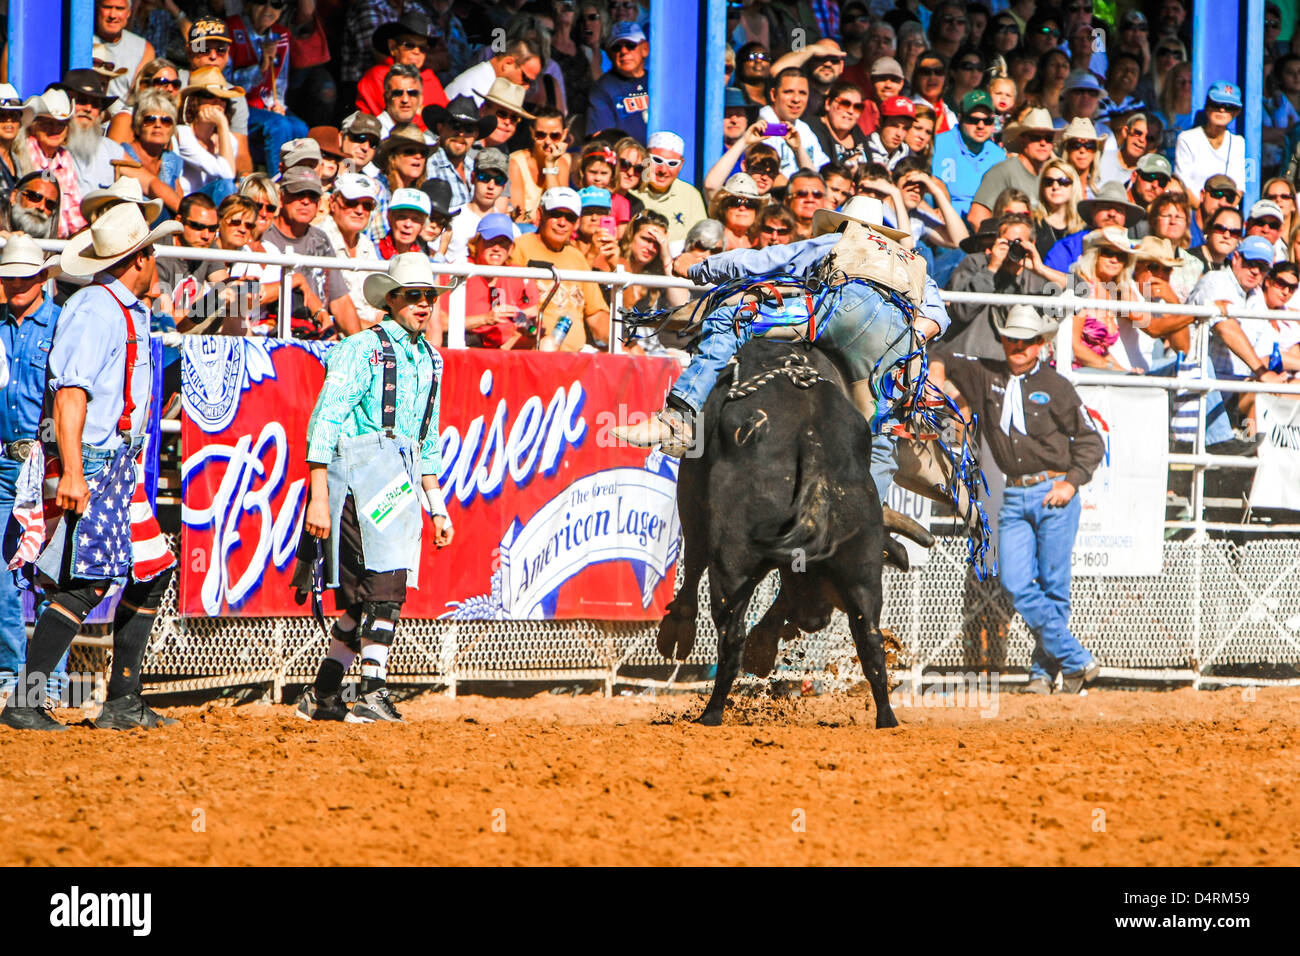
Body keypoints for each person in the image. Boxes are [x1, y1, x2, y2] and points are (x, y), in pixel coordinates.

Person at [615, 195, 951, 505]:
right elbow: (938, 316)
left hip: (838, 311)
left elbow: (764, 261)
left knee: (733, 318)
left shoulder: (841, 239)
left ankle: (678, 419)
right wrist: (902, 341)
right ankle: (867, 518)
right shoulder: (912, 260)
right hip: (896, 341)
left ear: (844, 223)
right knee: (880, 436)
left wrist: (698, 268)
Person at [1, 202, 181, 731]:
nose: (156, 263)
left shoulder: (119, 308)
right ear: (139, 259)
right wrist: (75, 471)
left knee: (151, 570)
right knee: (87, 582)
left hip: (114, 462)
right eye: (151, 253)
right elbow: (70, 395)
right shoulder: (97, 310)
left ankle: (121, 699)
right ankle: (27, 702)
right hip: (97, 462)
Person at [294, 253, 454, 724]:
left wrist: (436, 506)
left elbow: (427, 437)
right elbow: (326, 419)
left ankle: (323, 694)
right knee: (384, 588)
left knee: (370, 591)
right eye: (414, 296)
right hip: (357, 476)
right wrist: (318, 494)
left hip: (397, 478)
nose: (424, 304)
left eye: (430, 296)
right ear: (391, 300)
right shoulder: (361, 347)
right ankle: (371, 691)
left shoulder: (431, 359)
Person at [931, 305, 1104, 696]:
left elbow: (1092, 440)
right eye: (1012, 339)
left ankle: (1044, 675)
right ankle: (1075, 660)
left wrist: (1072, 482)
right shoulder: (985, 374)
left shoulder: (1057, 386)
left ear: (1041, 345)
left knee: (1053, 585)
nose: (1018, 347)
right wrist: (938, 375)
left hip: (1052, 490)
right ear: (1004, 340)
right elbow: (939, 349)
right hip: (1015, 493)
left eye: (1027, 341)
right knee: (1014, 581)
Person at [0, 237, 64, 711]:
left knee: (47, 573)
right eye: (9, 275)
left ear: (42, 278)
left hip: (46, 460)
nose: (15, 282)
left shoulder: (63, 326)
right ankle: (9, 676)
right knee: (3, 575)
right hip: (5, 458)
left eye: (24, 274)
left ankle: (49, 682)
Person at [943, 212, 1057, 359]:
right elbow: (962, 312)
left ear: (1032, 244)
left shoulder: (1037, 279)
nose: (1012, 248)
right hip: (968, 362)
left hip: (1012, 365)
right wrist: (992, 268)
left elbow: (1081, 292)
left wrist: (1040, 269)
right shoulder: (975, 263)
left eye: (1018, 243)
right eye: (1007, 243)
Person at [510, 187, 611, 350]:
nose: (562, 222)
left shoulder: (577, 257)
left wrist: (624, 341)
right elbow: (504, 305)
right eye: (555, 214)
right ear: (540, 215)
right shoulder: (519, 248)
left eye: (569, 217)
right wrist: (533, 331)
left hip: (576, 356)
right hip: (531, 352)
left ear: (576, 223)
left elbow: (596, 314)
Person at [223, 0, 309, 172]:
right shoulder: (230, 28)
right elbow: (226, 82)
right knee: (279, 125)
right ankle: (277, 184)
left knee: (300, 127)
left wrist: (278, 105)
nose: (268, 9)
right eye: (262, 2)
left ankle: (295, 181)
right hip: (237, 105)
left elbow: (281, 80)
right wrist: (259, 67)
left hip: (266, 105)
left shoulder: (281, 34)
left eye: (276, 4)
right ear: (248, 4)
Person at [261, 166, 341, 337]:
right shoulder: (262, 237)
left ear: (319, 204)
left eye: (312, 197)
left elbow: (341, 301)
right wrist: (295, 281)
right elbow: (245, 300)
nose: (305, 201)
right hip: (270, 337)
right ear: (282, 198)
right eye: (298, 194)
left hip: (316, 336)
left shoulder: (321, 239)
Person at [176, 17, 254, 178]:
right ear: (189, 50)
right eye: (203, 48)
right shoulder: (172, 82)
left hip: (215, 177)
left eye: (220, 49)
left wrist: (246, 182)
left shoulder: (235, 95)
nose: (213, 55)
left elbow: (241, 154)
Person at [967, 107, 1058, 231]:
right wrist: (996, 245)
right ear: (1022, 140)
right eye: (1036, 137)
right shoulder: (1002, 171)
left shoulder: (1050, 176)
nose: (1043, 143)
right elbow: (976, 217)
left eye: (1048, 138)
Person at [355, 11, 449, 126]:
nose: (416, 51)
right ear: (393, 47)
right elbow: (398, 120)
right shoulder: (377, 76)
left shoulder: (429, 77)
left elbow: (446, 118)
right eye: (409, 45)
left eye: (422, 48)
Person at [318, 172, 384, 332]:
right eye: (351, 203)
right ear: (332, 202)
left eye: (367, 205)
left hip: (372, 336)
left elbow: (381, 305)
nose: (360, 210)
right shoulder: (318, 239)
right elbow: (333, 310)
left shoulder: (367, 245)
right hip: (335, 336)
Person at [18, 90, 84, 239]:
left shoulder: (64, 157)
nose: (55, 129)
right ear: (34, 126)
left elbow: (74, 209)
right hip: (32, 239)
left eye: (61, 124)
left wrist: (81, 237)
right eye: (47, 123)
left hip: (60, 243)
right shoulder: (27, 150)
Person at [930, 89, 1005, 220]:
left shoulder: (998, 155)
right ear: (960, 118)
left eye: (987, 121)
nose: (981, 126)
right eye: (973, 120)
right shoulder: (940, 143)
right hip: (945, 220)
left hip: (984, 224)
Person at [1043, 181, 1145, 275]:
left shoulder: (1133, 253)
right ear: (1093, 211)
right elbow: (1052, 285)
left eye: (1119, 210)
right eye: (1105, 207)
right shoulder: (1067, 247)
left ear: (1125, 217)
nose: (1112, 214)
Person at [631, 132, 708, 251]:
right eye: (657, 160)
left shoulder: (690, 195)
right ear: (645, 158)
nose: (663, 170)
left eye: (672, 163)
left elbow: (700, 243)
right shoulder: (631, 188)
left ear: (681, 165)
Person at [173, 68, 240, 203]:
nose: (218, 102)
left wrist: (222, 128)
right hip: (188, 204)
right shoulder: (182, 134)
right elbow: (227, 174)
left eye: (223, 98)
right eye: (209, 96)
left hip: (214, 203)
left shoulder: (229, 139)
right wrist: (222, 124)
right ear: (194, 101)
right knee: (226, 184)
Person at [423, 96, 495, 214]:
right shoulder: (426, 165)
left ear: (476, 135)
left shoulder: (476, 167)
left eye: (469, 129)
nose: (461, 134)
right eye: (455, 125)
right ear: (440, 128)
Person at [1174, 82, 1247, 198]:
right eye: (1216, 104)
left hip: (1226, 211)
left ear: (1236, 112)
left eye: (1229, 107)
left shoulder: (1238, 143)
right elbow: (1182, 184)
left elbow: (1239, 188)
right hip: (1194, 211)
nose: (1222, 110)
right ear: (1207, 107)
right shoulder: (1187, 139)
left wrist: (1224, 213)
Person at [759, 68, 830, 177]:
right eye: (789, 92)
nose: (796, 99)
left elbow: (821, 172)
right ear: (773, 95)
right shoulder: (763, 124)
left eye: (802, 93)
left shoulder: (804, 129)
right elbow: (767, 177)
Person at [369, 124, 433, 244]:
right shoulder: (375, 190)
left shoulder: (419, 196)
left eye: (423, 153)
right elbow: (377, 240)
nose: (418, 156)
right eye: (410, 151)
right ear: (392, 158)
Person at [441, 148, 508, 262]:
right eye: (484, 178)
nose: (491, 186)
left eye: (499, 180)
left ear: (504, 186)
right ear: (472, 178)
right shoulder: (450, 218)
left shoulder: (509, 228)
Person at [586, 22, 649, 142]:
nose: (624, 51)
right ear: (609, 54)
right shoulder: (602, 89)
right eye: (617, 47)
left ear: (645, 49)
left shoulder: (657, 82)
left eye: (631, 45)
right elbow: (601, 138)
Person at [445, 38, 542, 108]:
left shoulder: (486, 79)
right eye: (525, 79)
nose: (526, 87)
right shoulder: (480, 86)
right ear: (508, 63)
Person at [1145, 190, 1203, 299]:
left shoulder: (1195, 265)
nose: (1173, 221)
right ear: (1154, 220)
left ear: (1187, 223)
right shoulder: (1140, 254)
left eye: (1178, 217)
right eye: (1167, 215)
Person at [96, 0, 155, 105]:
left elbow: (136, 99)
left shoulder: (144, 49)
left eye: (119, 9)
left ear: (129, 12)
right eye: (107, 7)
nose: (112, 15)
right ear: (97, 8)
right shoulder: (81, 41)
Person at [813, 80, 871, 167]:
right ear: (828, 103)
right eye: (845, 104)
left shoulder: (857, 132)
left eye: (857, 107)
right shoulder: (812, 129)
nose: (851, 111)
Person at [375, 63, 435, 143]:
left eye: (412, 93)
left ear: (420, 99)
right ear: (385, 97)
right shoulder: (373, 136)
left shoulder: (427, 142)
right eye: (398, 93)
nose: (405, 100)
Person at [709, 173, 763, 251]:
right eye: (735, 202)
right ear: (724, 208)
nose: (742, 208)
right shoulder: (711, 241)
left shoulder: (761, 242)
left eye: (750, 203)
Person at [2, 171, 62, 242]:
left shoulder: (59, 250)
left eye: (50, 204)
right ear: (14, 197)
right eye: (35, 197)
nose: (42, 207)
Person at [378, 187, 433, 259]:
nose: (408, 224)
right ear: (390, 218)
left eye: (415, 219)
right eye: (402, 217)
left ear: (423, 225)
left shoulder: (427, 265)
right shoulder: (370, 254)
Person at [1188, 206, 1242, 273]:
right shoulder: (1187, 259)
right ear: (1209, 229)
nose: (1227, 236)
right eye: (1221, 229)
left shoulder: (1233, 271)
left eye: (1234, 232)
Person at [866, 96, 915, 170]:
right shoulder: (865, 147)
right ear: (880, 123)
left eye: (905, 128)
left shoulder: (905, 150)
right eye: (894, 126)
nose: (899, 134)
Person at [785, 170, 829, 240]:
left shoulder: (832, 238)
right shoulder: (774, 234)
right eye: (802, 194)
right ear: (787, 201)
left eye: (817, 194)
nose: (810, 199)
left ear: (824, 201)